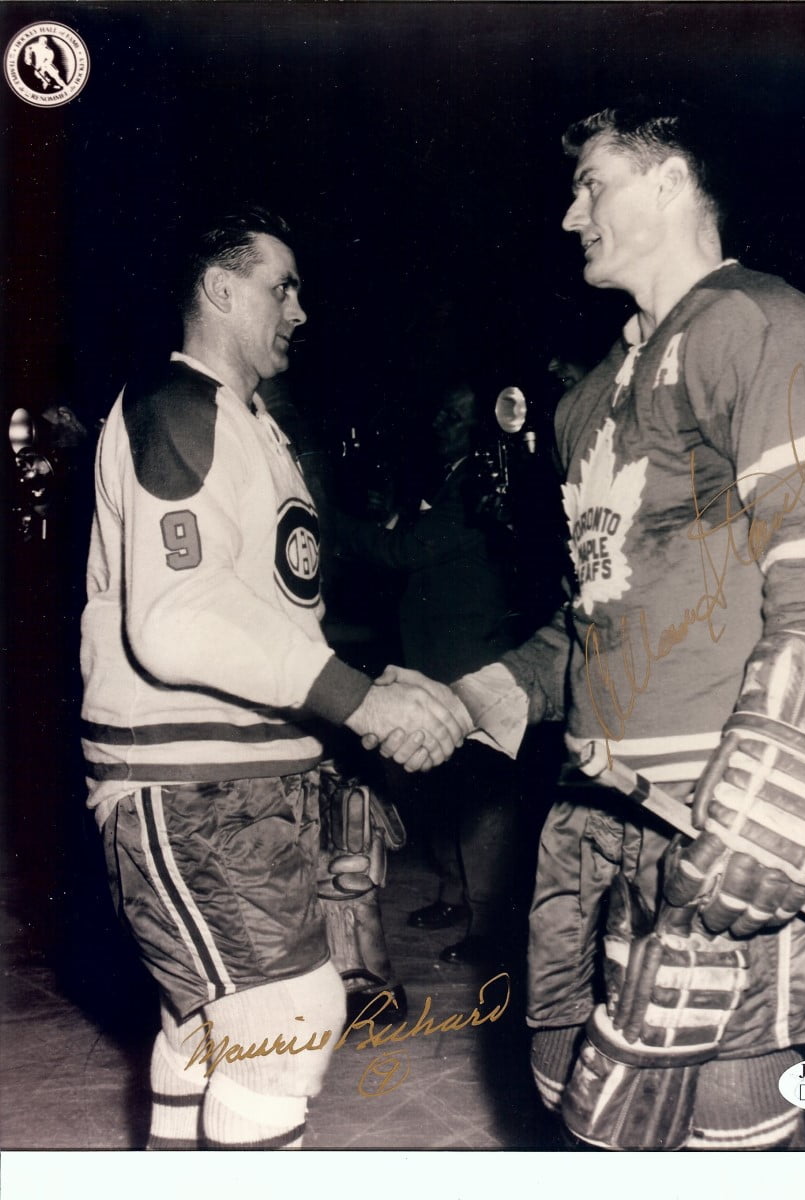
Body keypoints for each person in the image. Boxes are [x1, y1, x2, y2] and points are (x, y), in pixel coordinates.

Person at [450, 107, 805, 1150]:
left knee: (730, 1132)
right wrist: (491, 692)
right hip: (591, 811)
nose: (570, 214)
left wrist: (771, 813)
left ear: (667, 182)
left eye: (592, 183)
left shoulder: (756, 322)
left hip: (713, 801)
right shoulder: (587, 403)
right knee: (603, 1123)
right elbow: (598, 611)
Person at [79, 207, 471, 1150]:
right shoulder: (179, 406)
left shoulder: (253, 424)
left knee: (211, 1034)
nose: (301, 308)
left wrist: (372, 681)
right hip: (188, 783)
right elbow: (175, 621)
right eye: (279, 286)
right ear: (219, 290)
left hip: (249, 777)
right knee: (287, 1025)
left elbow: (263, 611)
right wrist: (360, 699)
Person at [332, 380, 526, 965]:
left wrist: (328, 523)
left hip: (472, 657)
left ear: (484, 424)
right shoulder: (447, 477)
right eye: (442, 412)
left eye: (456, 414)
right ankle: (453, 895)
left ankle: (488, 924)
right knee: (444, 791)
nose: (442, 423)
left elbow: (407, 551)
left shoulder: (478, 481)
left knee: (481, 800)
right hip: (439, 655)